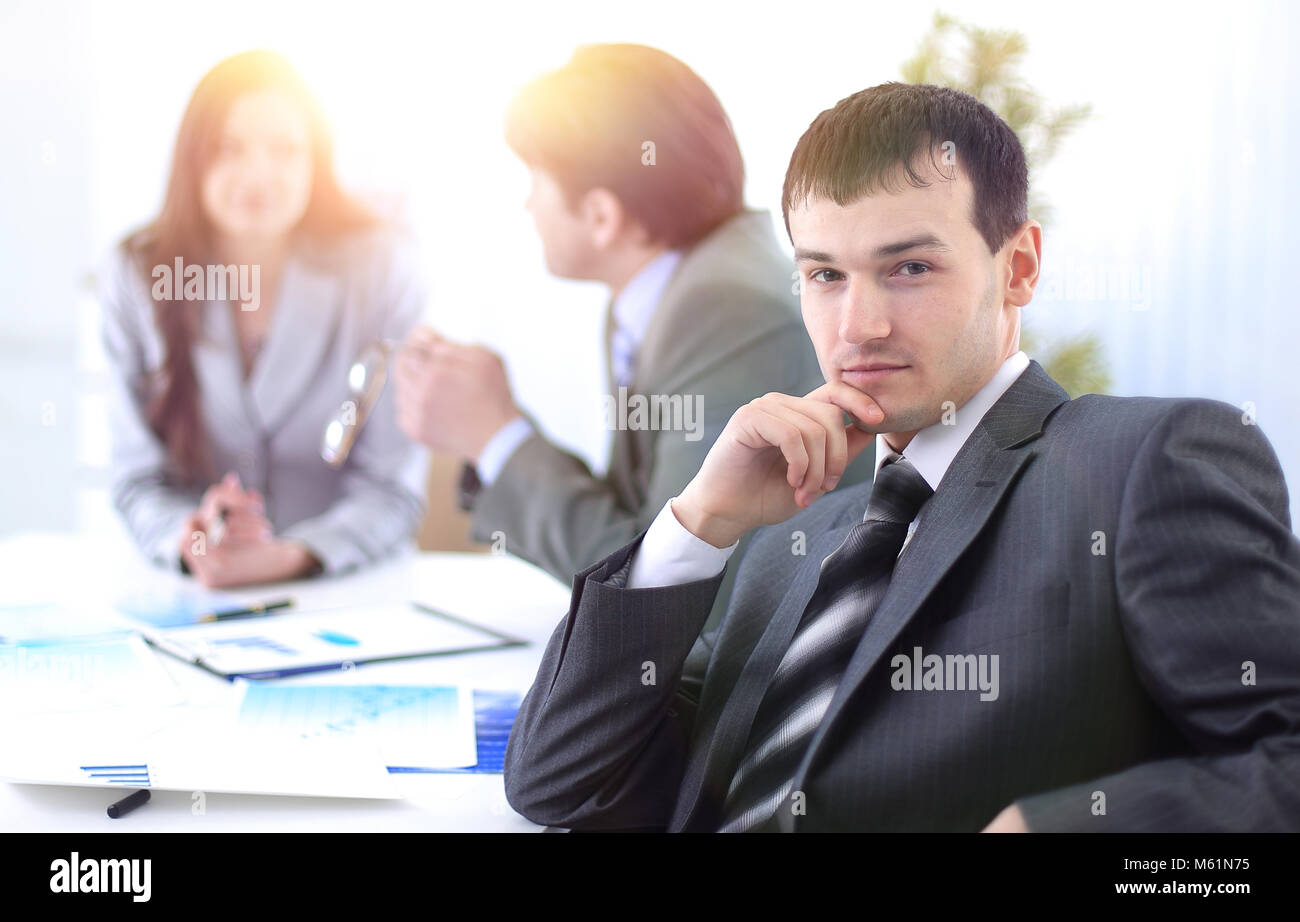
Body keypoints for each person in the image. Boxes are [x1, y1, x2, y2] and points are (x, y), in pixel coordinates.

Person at [501, 82, 1300, 832]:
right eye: (824, 275)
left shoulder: (1140, 465)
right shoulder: (788, 545)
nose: (859, 326)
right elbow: (558, 783)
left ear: (1017, 267)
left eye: (910, 268)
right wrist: (696, 525)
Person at [394, 45, 872, 641]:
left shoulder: (723, 306)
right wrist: (494, 433)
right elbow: (646, 532)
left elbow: (672, 590)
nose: (527, 204)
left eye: (534, 181)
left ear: (600, 216)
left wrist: (496, 437)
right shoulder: (655, 292)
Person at [100, 50, 427, 588]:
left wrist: (293, 556)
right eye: (229, 148)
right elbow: (137, 479)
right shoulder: (138, 273)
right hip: (195, 587)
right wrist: (192, 538)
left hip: (345, 587)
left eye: (285, 150)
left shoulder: (383, 268)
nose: (259, 174)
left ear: (316, 161)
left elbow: (391, 488)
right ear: (192, 160)